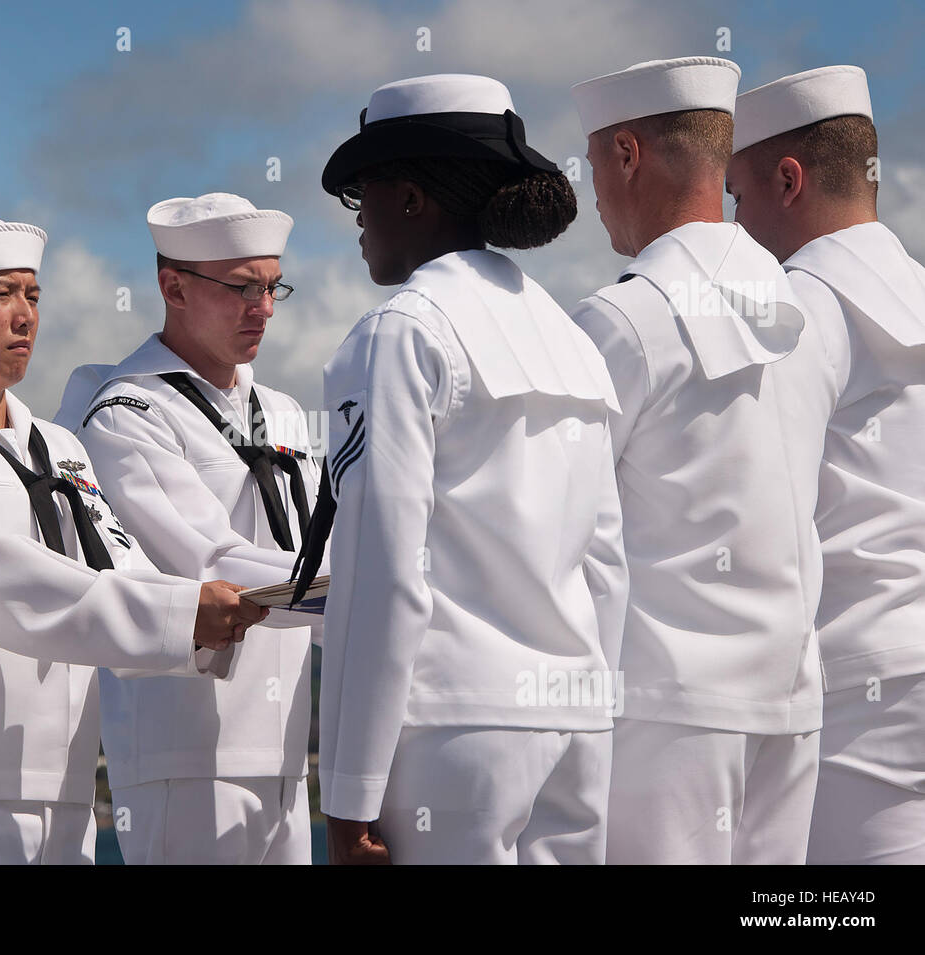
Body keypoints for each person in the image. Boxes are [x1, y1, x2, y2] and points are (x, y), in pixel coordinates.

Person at [294, 72, 627, 865]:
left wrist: (349, 788)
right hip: (575, 722)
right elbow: (608, 564)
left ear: (411, 199)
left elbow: (384, 575)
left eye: (363, 195)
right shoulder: (571, 338)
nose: (359, 221)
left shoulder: (399, 332)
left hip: (453, 730)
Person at [0, 212, 264, 864]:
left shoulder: (59, 446)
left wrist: (210, 609)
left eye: (33, 296)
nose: (24, 316)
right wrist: (184, 614)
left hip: (67, 788)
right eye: (1, 293)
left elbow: (121, 566)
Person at [569, 56, 842, 864]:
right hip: (792, 704)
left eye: (593, 166)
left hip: (666, 717)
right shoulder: (808, 310)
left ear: (627, 153)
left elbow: (571, 536)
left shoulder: (620, 318)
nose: (592, 195)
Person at [55, 193, 319, 864]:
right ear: (173, 286)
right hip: (184, 749)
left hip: (282, 744)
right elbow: (211, 561)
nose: (262, 308)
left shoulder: (282, 411)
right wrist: (362, 587)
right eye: (240, 288)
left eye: (271, 286)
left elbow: (321, 545)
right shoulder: (128, 410)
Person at [729, 66, 925, 864]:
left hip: (854, 684)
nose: (734, 224)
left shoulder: (794, 310)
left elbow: (759, 522)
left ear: (788, 178)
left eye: (737, 198)